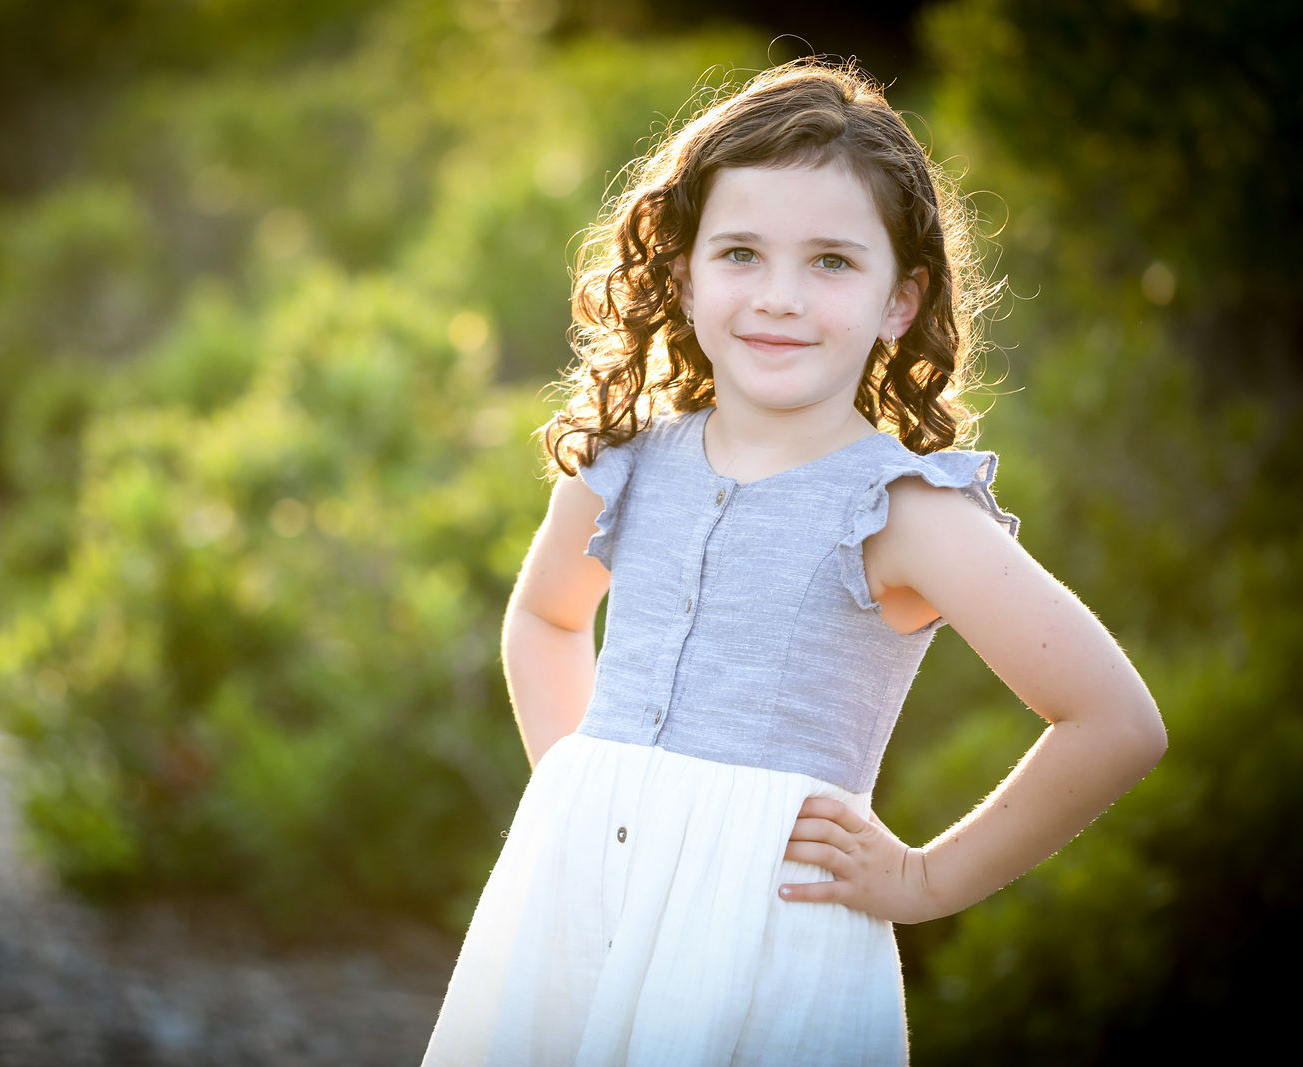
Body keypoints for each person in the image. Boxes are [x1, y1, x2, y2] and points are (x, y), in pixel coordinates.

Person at [421, 57, 1165, 1065]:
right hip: (573, 902)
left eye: (830, 261)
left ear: (898, 301)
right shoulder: (623, 461)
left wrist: (924, 879)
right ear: (681, 273)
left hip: (765, 930)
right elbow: (546, 618)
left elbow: (1115, 721)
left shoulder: (905, 511)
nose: (779, 296)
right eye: (739, 252)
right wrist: (581, 785)